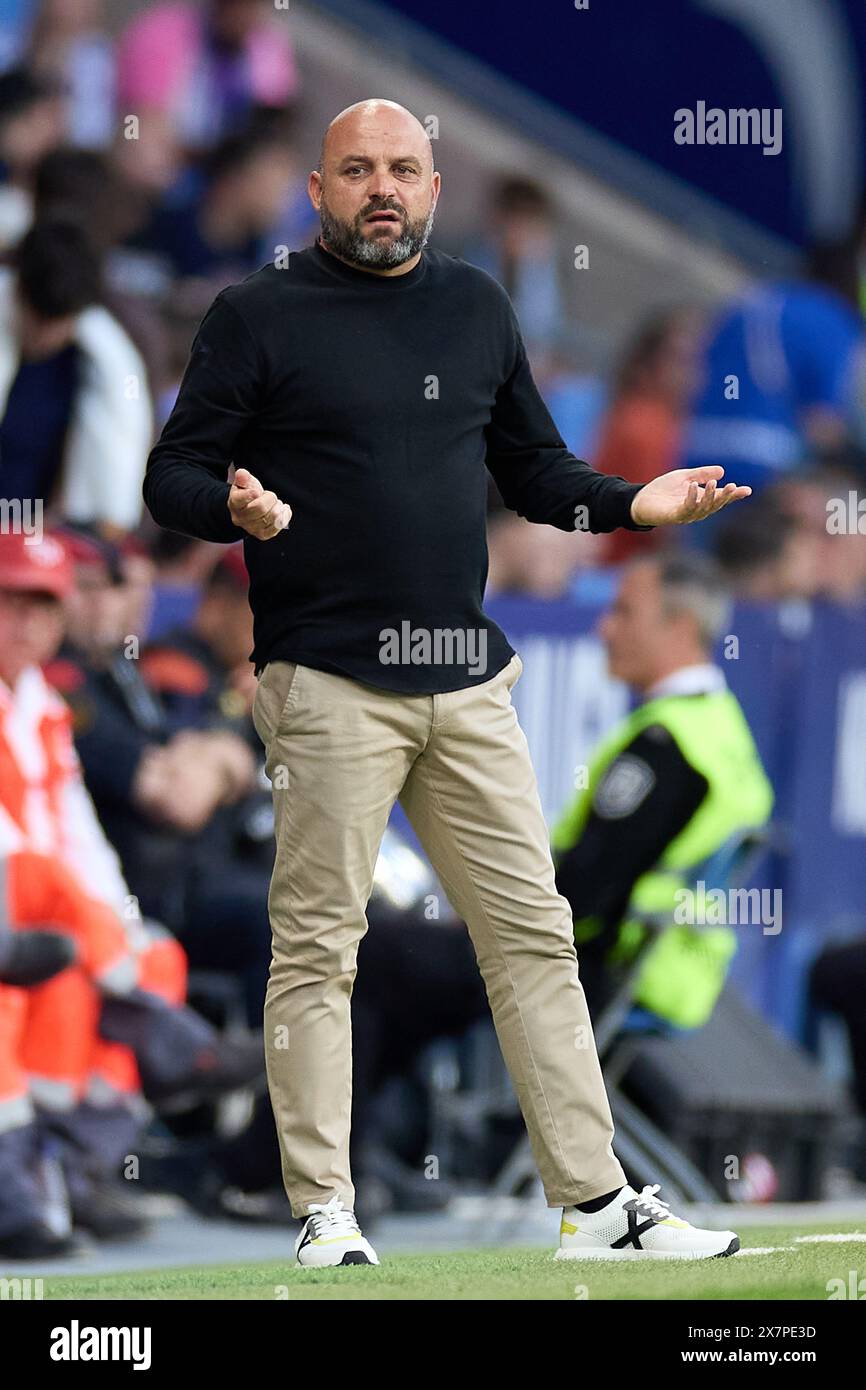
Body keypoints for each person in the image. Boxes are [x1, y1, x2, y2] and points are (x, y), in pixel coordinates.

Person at [143, 98, 750, 1267]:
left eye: (403, 169)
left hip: (466, 680)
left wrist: (632, 502)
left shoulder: (476, 307)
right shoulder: (254, 314)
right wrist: (228, 502)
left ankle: (595, 1205)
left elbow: (530, 472)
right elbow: (171, 473)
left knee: (534, 934)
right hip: (325, 678)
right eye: (356, 169)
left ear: (431, 189)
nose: (381, 186)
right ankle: (322, 1209)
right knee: (321, 946)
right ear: (315, 192)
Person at [552, 554, 774, 1029]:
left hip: (601, 972)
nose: (605, 630)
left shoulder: (665, 745)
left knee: (384, 963)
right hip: (676, 975)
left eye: (624, 612)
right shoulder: (722, 729)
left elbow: (582, 892)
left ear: (681, 627)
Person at [0, 217, 153, 535]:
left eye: (57, 323)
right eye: (37, 318)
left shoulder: (105, 365)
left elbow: (107, 511)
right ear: (18, 289)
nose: (45, 336)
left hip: (35, 540)